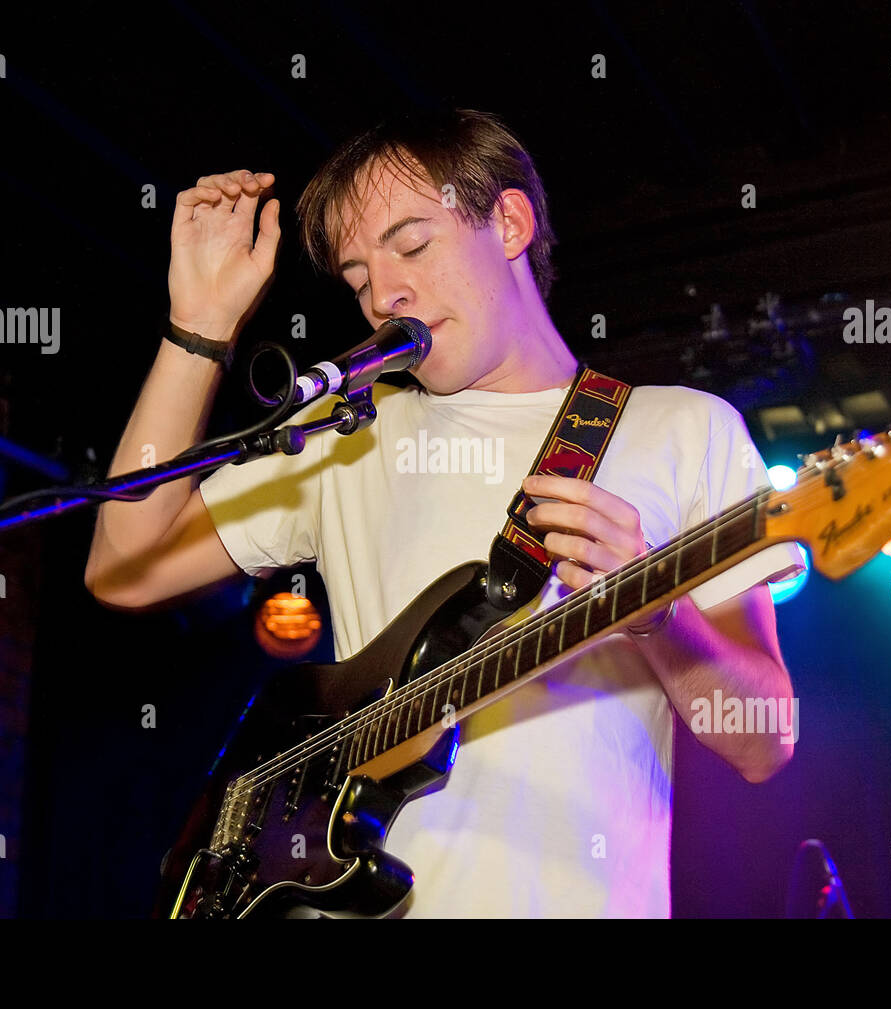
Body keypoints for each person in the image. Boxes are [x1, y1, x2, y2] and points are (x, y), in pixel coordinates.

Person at [84, 107, 805, 917]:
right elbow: (124, 563)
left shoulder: (683, 429)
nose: (385, 293)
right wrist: (201, 326)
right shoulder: (342, 431)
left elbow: (762, 740)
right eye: (358, 280)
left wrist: (655, 615)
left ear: (509, 221)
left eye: (412, 244)